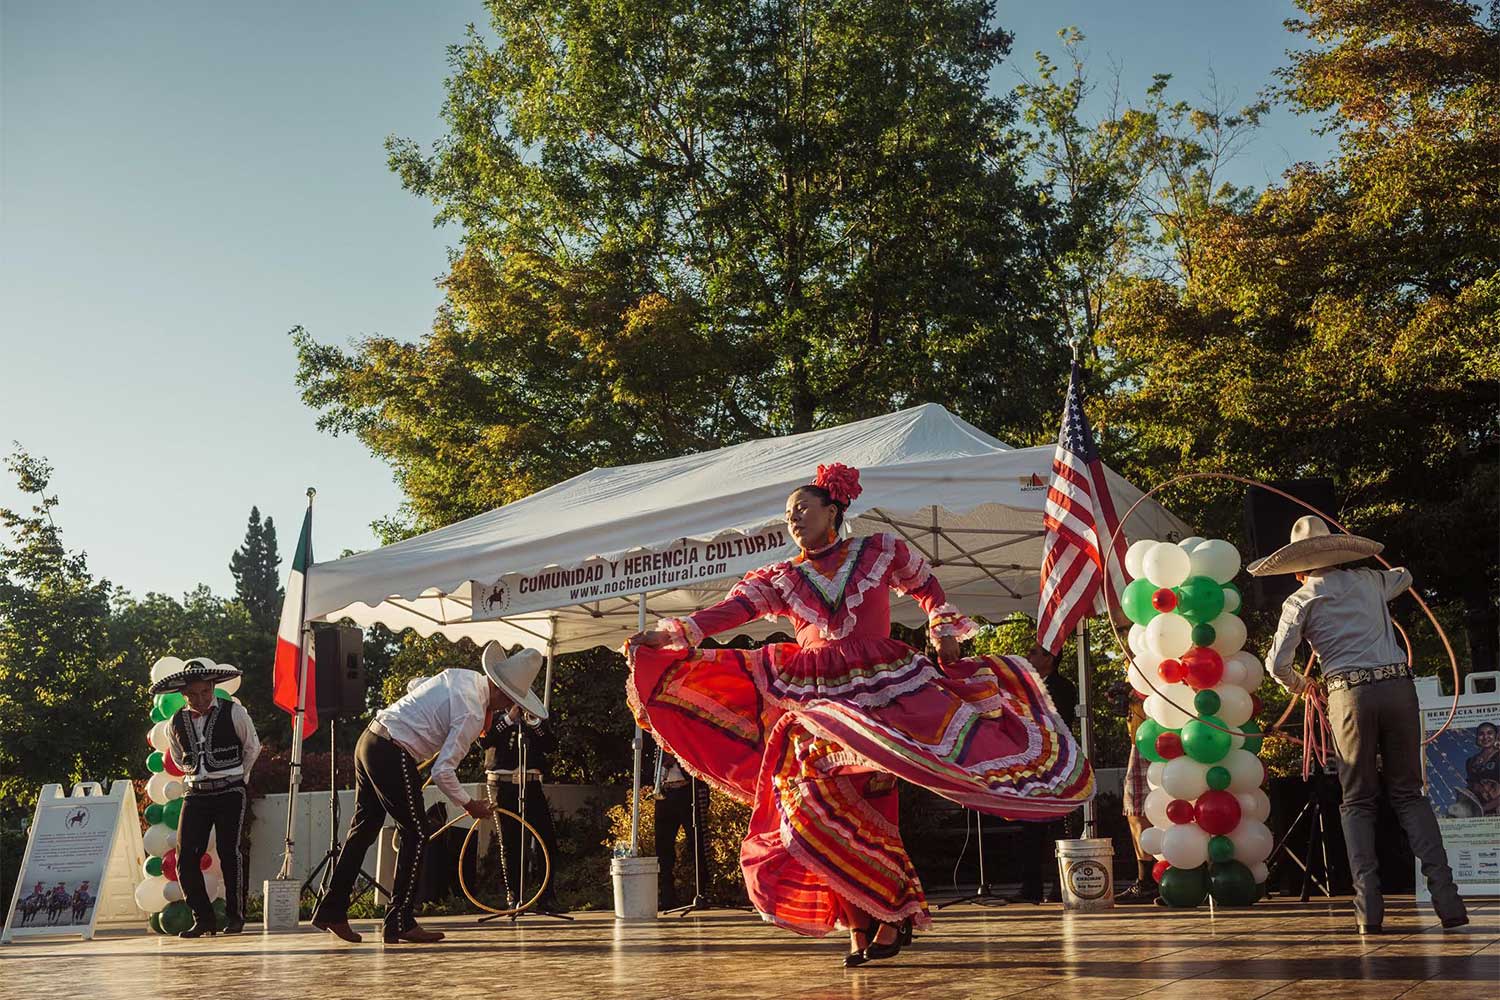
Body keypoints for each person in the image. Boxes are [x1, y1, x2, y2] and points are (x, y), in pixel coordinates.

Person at [627, 463, 1093, 966]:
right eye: (788, 514)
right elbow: (731, 612)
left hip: (880, 687)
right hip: (815, 696)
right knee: (810, 802)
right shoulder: (783, 576)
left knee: (874, 796)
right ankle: (859, 920)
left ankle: (885, 917)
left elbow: (927, 586)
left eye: (802, 509)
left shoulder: (878, 551)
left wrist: (941, 628)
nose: (793, 519)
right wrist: (673, 635)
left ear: (832, 510)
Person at [1253, 515, 1468, 933]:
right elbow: (1404, 576)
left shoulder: (1300, 600)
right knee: (1409, 793)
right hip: (1398, 688)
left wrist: (1303, 684)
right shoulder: (1372, 580)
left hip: (1348, 694)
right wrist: (1366, 563)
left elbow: (1276, 664)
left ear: (1297, 570)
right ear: (1338, 556)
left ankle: (1369, 909)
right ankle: (1448, 900)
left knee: (1358, 800)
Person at [311, 645, 547, 945]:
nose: (505, 709)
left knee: (364, 829)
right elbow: (442, 771)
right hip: (392, 751)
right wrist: (469, 804)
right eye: (510, 701)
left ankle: (331, 910)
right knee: (417, 832)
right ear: (502, 694)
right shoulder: (473, 712)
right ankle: (399, 921)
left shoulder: (464, 677)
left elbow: (416, 685)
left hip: (370, 740)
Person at [156, 658, 261, 938]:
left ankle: (235, 917)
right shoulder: (175, 721)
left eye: (204, 692)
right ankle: (203, 919)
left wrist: (238, 777)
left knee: (229, 853)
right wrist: (197, 773)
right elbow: (178, 757)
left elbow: (252, 747)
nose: (200, 699)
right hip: (196, 792)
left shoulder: (233, 711)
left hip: (230, 790)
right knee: (185, 857)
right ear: (184, 694)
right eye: (193, 694)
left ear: (213, 688)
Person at [1007, 642, 1078, 904]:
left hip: (1055, 765)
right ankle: (1030, 887)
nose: (1028, 655)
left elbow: (1058, 722)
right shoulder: (1026, 687)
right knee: (1030, 828)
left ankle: (1062, 885)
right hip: (1031, 765)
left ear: (1050, 658)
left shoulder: (1062, 687)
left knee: (1058, 827)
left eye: (1034, 652)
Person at [481, 703, 562, 912]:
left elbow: (551, 745)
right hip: (503, 784)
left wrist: (534, 723)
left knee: (546, 838)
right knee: (510, 841)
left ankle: (547, 896)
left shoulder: (536, 713)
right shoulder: (493, 713)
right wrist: (509, 719)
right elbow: (485, 741)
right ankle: (514, 896)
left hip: (531, 783)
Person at [653, 742, 711, 910]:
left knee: (698, 844)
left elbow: (699, 759)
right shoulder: (655, 739)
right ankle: (667, 897)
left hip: (688, 791)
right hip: (665, 793)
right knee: (663, 848)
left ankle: (703, 894)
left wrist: (676, 758)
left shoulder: (683, 735)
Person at [1114, 697, 1159, 904]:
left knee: (1141, 807)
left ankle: (1152, 880)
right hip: (1143, 736)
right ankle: (1147, 880)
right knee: (1136, 808)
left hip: (1169, 730)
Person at [1466, 722, 1499, 815]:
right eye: (1481, 734)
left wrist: (1484, 808)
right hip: (1478, 810)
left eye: (1489, 733)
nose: (1485, 737)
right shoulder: (1471, 761)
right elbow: (1471, 786)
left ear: (1496, 736)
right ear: (1477, 737)